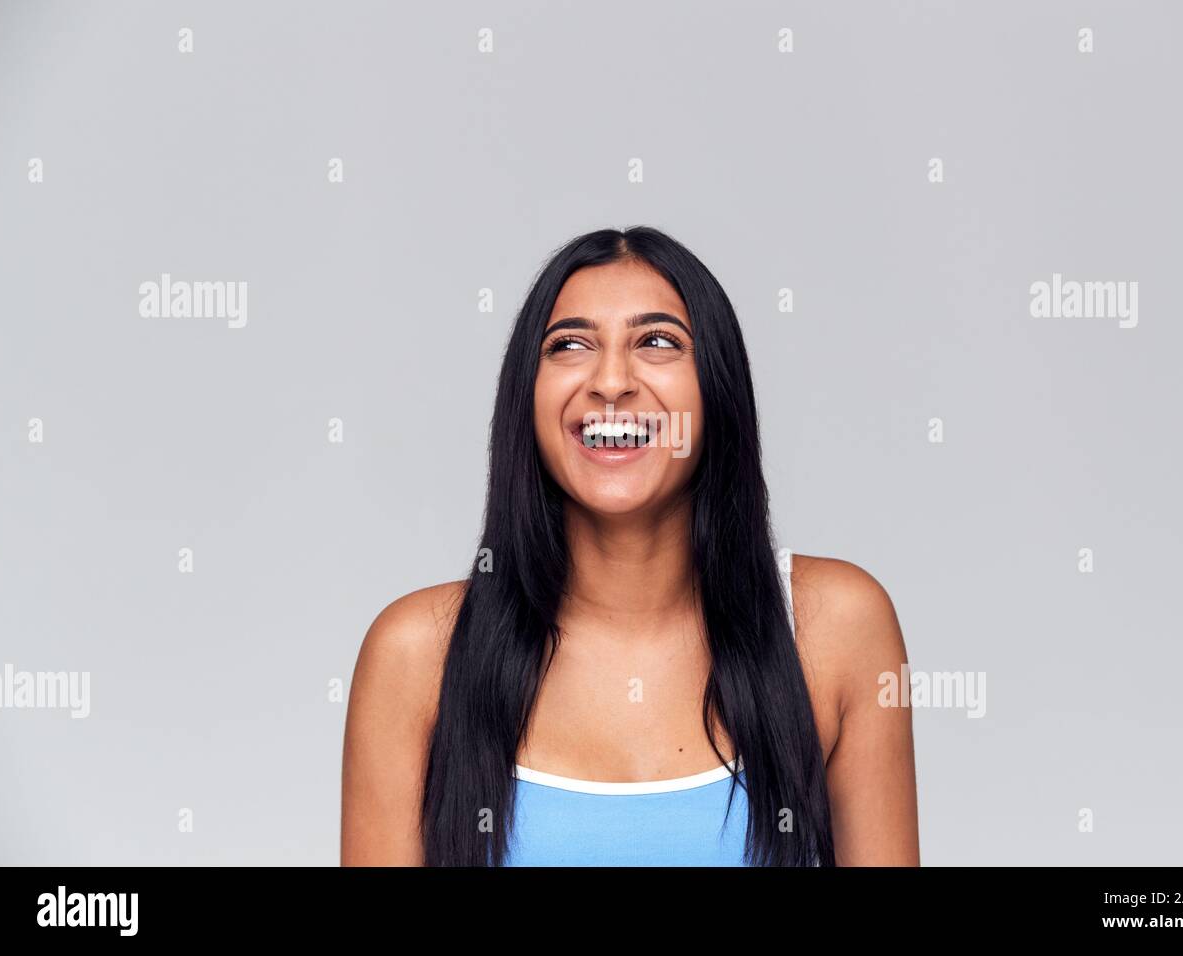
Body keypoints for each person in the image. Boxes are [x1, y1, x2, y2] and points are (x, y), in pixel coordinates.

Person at [341, 226, 919, 866]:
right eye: (569, 345)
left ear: (717, 389)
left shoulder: (835, 627)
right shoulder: (415, 654)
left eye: (658, 341)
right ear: (526, 399)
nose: (611, 380)